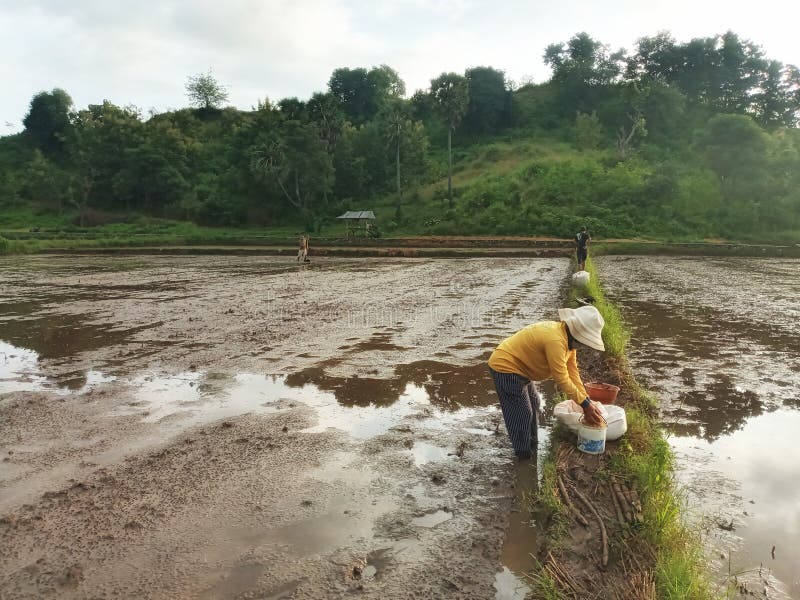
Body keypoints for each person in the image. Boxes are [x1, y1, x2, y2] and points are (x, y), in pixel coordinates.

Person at [488, 305, 605, 460]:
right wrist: (585, 405)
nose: (584, 346)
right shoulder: (556, 341)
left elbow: (573, 372)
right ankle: (523, 455)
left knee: (534, 403)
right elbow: (561, 378)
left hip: (522, 369)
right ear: (578, 334)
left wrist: (586, 400)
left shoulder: (569, 343)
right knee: (522, 413)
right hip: (506, 367)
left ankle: (532, 443)